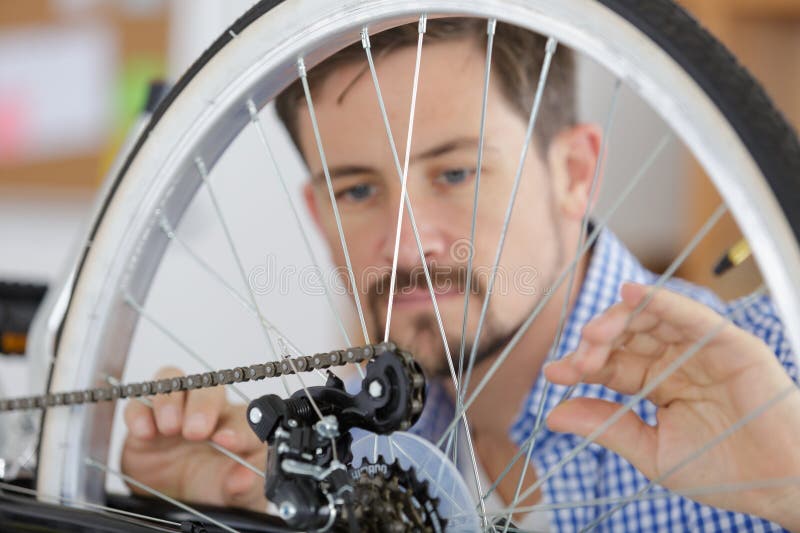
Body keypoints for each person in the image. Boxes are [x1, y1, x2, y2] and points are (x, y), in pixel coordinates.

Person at [121, 19, 800, 531]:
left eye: (455, 173)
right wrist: (238, 510)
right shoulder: (341, 453)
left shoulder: (779, 373)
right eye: (356, 190)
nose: (407, 242)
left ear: (575, 173)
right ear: (320, 215)